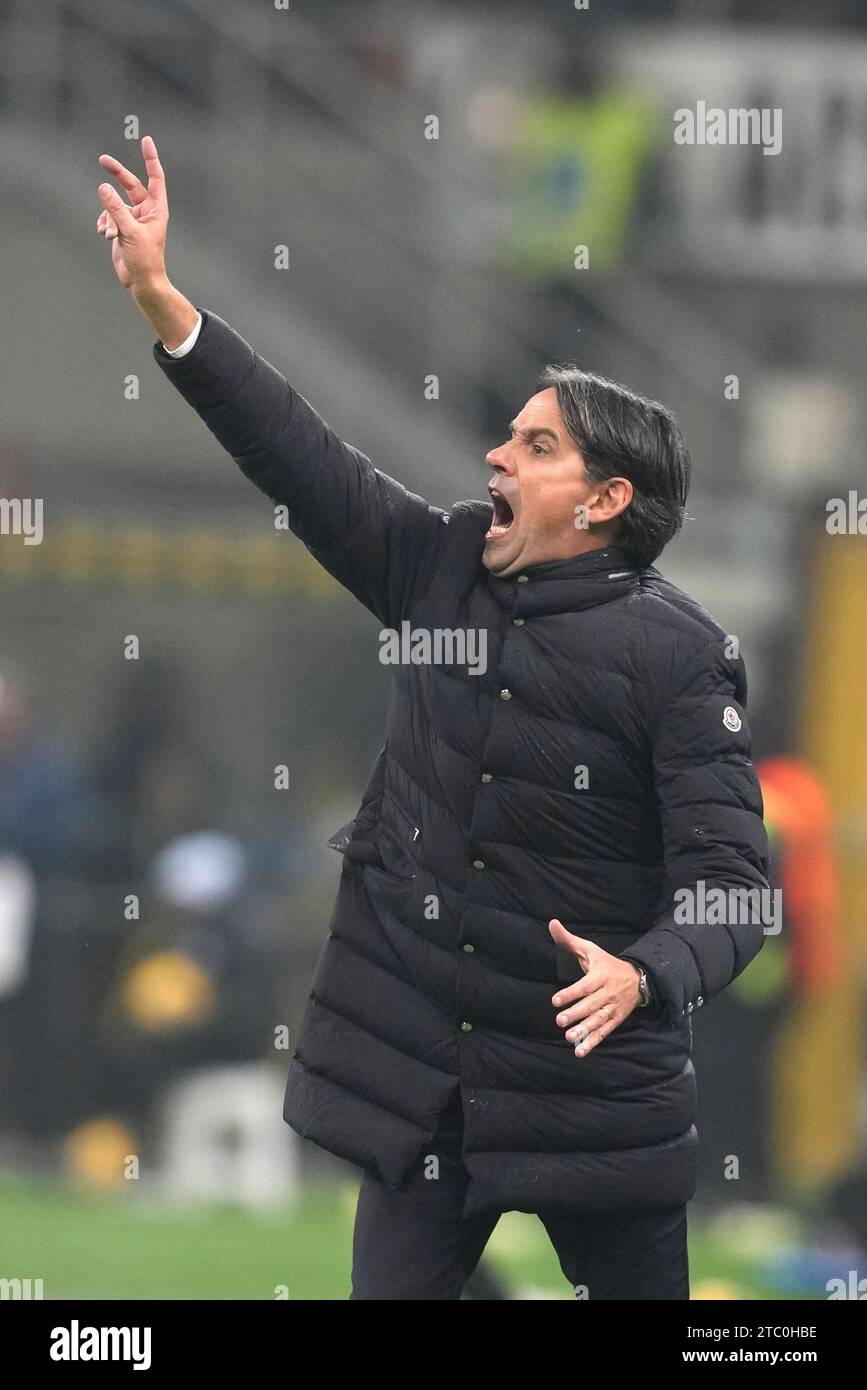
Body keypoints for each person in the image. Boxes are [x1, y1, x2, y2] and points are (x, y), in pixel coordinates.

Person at [97, 137, 770, 1300]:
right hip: (431, 1089)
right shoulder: (438, 562)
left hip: (594, 1098)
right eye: (508, 435)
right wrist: (168, 305)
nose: (496, 454)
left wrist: (646, 974)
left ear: (605, 502)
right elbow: (301, 457)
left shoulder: (682, 655)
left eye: (535, 445)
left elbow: (735, 885)